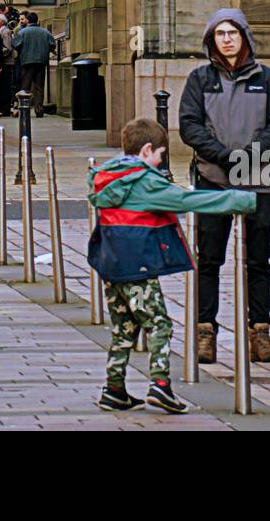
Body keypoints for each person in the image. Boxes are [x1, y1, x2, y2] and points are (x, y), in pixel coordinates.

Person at [88, 117, 257, 413]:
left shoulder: (109, 176)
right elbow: (184, 200)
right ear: (147, 150)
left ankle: (114, 389)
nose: (161, 161)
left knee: (124, 327)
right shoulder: (144, 181)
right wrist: (241, 200)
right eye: (161, 155)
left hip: (111, 265)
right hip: (138, 267)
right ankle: (160, 385)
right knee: (159, 323)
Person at [178, 8, 270, 366]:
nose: (227, 39)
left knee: (259, 261)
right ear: (212, 40)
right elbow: (190, 126)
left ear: (244, 37)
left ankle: (259, 332)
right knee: (208, 259)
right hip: (213, 180)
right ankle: (204, 332)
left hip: (258, 182)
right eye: (220, 34)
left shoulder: (267, 78)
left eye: (233, 33)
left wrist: (250, 156)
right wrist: (226, 156)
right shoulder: (199, 79)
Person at [14, 12, 56, 117]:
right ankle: (39, 109)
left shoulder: (22, 32)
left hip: (27, 61)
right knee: (39, 87)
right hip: (41, 61)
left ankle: (24, 108)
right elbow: (52, 45)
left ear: (27, 20)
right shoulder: (45, 32)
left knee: (25, 86)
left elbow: (16, 44)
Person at [0, 13, 15, 116]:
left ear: (2, 22)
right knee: (0, 87)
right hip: (2, 62)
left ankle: (4, 108)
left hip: (6, 63)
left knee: (5, 86)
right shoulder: (0, 31)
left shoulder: (5, 32)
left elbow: (8, 48)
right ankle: (1, 107)